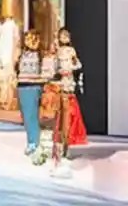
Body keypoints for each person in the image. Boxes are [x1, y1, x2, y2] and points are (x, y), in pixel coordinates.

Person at [50, 27, 88, 179]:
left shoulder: (71, 51)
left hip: (68, 84)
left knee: (68, 116)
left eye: (66, 36)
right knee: (59, 117)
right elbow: (54, 67)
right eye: (62, 36)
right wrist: (58, 71)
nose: (64, 38)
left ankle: (66, 146)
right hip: (60, 84)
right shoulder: (58, 51)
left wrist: (72, 66)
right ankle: (58, 147)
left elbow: (78, 65)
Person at [15, 28, 48, 157]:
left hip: (34, 86)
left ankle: (34, 142)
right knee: (26, 116)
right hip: (22, 86)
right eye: (27, 39)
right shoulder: (22, 54)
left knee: (32, 115)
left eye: (33, 39)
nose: (30, 42)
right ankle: (31, 141)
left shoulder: (41, 56)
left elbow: (46, 72)